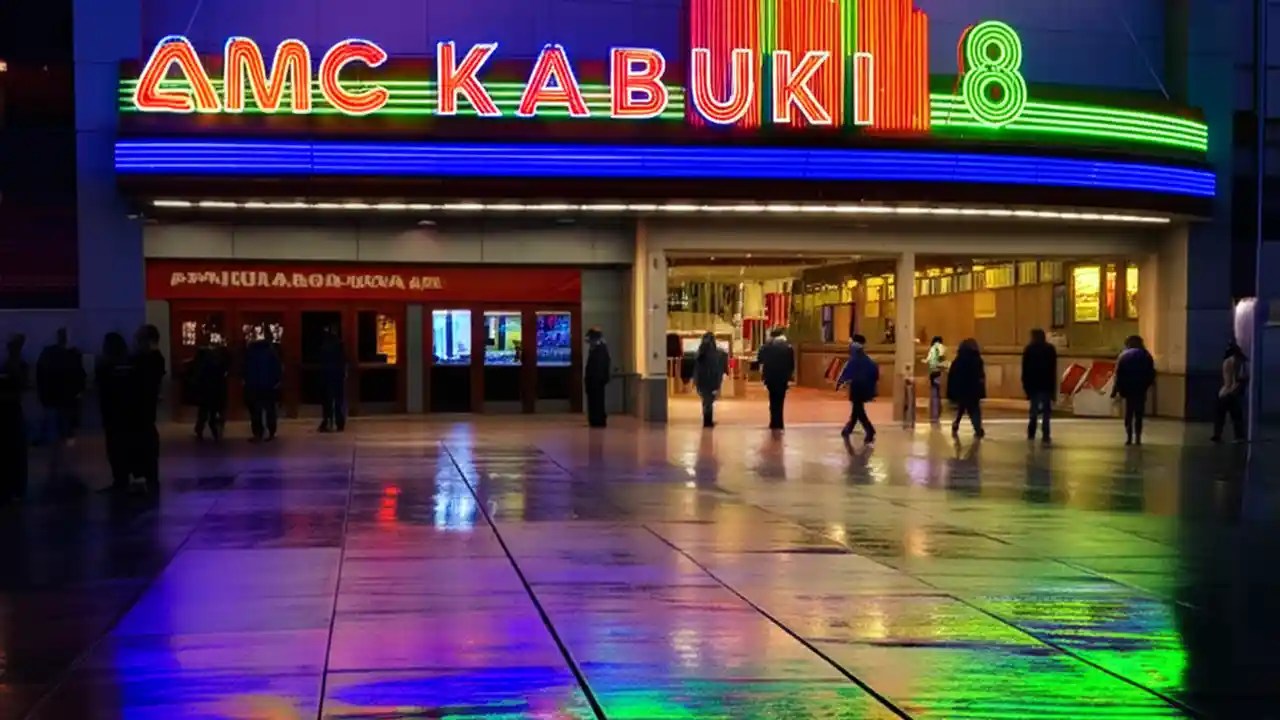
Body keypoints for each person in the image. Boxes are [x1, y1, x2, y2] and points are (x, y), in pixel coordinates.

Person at [96, 332, 134, 492]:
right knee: (126, 446)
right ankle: (128, 477)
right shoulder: (130, 364)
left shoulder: (104, 366)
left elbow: (101, 387)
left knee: (114, 447)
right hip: (128, 413)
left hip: (111, 413)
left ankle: (119, 479)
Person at [131, 325, 167, 494]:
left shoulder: (140, 360)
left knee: (141, 437)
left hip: (139, 405)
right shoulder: (157, 360)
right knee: (148, 436)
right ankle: (150, 474)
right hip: (148, 405)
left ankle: (141, 474)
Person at [35, 328, 85, 448]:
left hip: (52, 396)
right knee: (65, 421)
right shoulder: (72, 355)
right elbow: (79, 374)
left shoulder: (48, 354)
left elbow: (40, 374)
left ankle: (55, 442)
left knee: (54, 421)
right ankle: (66, 440)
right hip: (66, 396)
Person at [0, 335, 29, 503]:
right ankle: (15, 488)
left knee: (10, 451)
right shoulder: (16, 365)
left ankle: (11, 488)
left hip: (8, 412)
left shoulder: (10, 365)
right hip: (11, 412)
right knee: (14, 451)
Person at [1112, 335, 1155, 446]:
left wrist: (1115, 390)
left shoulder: (1124, 356)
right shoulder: (1146, 355)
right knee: (1139, 414)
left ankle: (1129, 437)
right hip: (1140, 389)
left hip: (1128, 390)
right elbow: (1151, 373)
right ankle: (1138, 437)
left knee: (1129, 413)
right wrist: (1146, 385)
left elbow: (1118, 374)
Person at [837, 334, 880, 444]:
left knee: (858, 410)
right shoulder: (866, 358)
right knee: (857, 409)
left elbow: (849, 370)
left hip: (857, 386)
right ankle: (848, 429)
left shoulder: (855, 355)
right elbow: (874, 372)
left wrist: (841, 381)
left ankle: (869, 430)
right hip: (864, 386)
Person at [244, 324, 283, 442]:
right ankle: (271, 431)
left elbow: (246, 369)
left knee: (256, 411)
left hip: (254, 385)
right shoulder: (271, 352)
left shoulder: (250, 353)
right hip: (269, 385)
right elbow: (277, 368)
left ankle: (258, 433)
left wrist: (246, 381)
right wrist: (277, 381)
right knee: (270, 409)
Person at [1021, 328, 1059, 444]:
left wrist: (1026, 386)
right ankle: (1046, 433)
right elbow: (1053, 370)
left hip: (1034, 385)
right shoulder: (1050, 349)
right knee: (1046, 412)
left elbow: (1025, 370)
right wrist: (1053, 390)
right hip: (1046, 384)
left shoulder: (1029, 349)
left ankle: (1031, 432)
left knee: (1034, 410)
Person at [192, 328, 230, 441]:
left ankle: (200, 429)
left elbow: (198, 373)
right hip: (218, 389)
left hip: (206, 389)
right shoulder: (222, 358)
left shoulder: (203, 357)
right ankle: (215, 432)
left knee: (203, 411)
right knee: (215, 411)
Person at [947, 338, 986, 439]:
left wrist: (951, 392)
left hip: (962, 389)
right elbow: (981, 376)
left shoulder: (958, 360)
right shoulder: (977, 360)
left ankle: (957, 424)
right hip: (973, 390)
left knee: (962, 407)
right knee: (974, 409)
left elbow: (953, 376)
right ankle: (977, 427)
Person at [757, 328, 795, 430]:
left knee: (772, 399)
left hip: (770, 377)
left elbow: (760, 359)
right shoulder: (788, 347)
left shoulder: (766, 346)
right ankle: (779, 422)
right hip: (782, 378)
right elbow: (791, 364)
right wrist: (789, 376)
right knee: (780, 400)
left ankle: (773, 421)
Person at [1211, 339, 1248, 443]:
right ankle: (1239, 436)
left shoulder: (1226, 362)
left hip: (1223, 392)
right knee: (1236, 416)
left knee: (1219, 416)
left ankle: (1217, 435)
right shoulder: (1240, 362)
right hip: (1233, 393)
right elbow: (1241, 379)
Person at [693, 332, 728, 428]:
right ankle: (708, 421)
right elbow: (719, 368)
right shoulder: (718, 353)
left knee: (706, 400)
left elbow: (696, 368)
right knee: (709, 401)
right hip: (712, 380)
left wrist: (695, 381)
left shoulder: (699, 353)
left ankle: (707, 420)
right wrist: (719, 381)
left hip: (702, 380)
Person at [318, 325, 348, 433]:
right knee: (338, 400)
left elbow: (321, 361)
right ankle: (339, 423)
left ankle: (327, 421)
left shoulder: (324, 346)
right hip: (337, 376)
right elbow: (343, 360)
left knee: (327, 401)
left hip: (326, 375)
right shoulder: (339, 344)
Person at [584, 327, 611, 428]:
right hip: (594, 381)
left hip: (596, 381)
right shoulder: (597, 349)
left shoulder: (600, 349)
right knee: (594, 402)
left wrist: (599, 379)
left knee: (597, 402)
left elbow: (600, 366)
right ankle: (594, 420)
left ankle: (597, 420)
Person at [925, 336, 947, 424]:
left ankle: (934, 414)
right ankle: (936, 413)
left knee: (934, 395)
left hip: (934, 375)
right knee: (937, 395)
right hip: (938, 375)